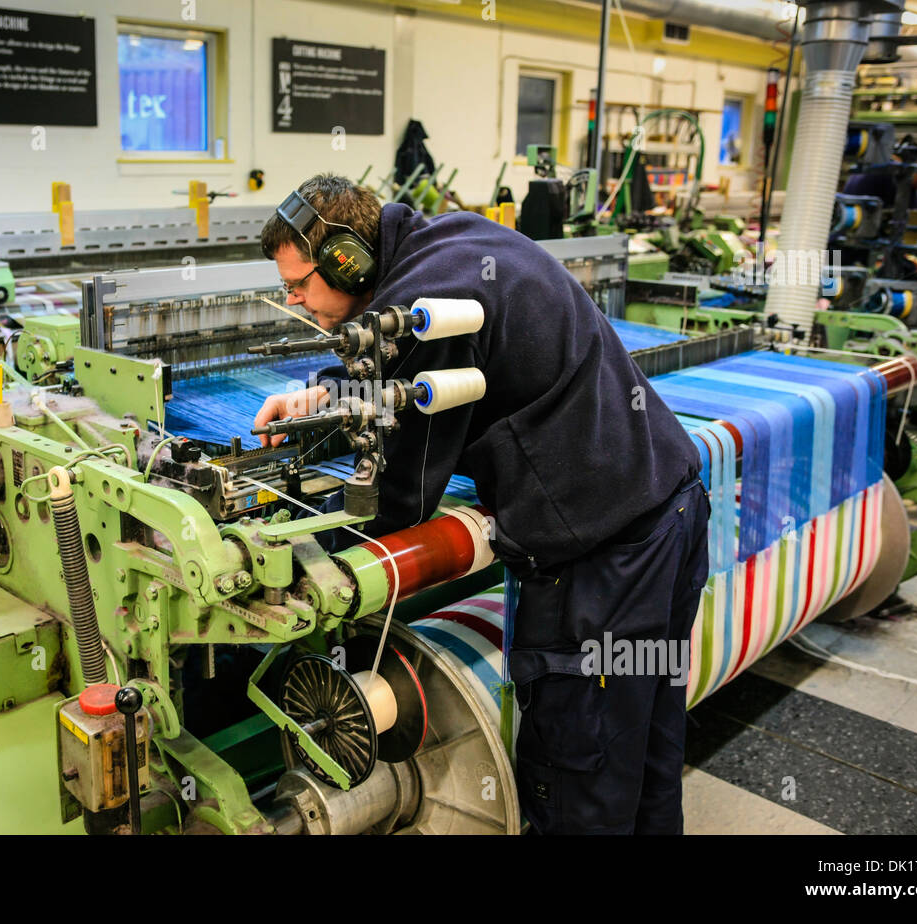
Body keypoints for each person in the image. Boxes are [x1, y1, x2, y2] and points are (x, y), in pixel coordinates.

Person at [255, 173, 710, 834]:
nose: (295, 300)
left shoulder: (425, 299)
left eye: (299, 285)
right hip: (668, 515)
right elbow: (398, 371)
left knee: (578, 781)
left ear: (347, 260)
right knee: (645, 756)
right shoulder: (445, 242)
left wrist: (302, 557)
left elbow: (403, 498)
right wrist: (321, 396)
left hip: (601, 567)